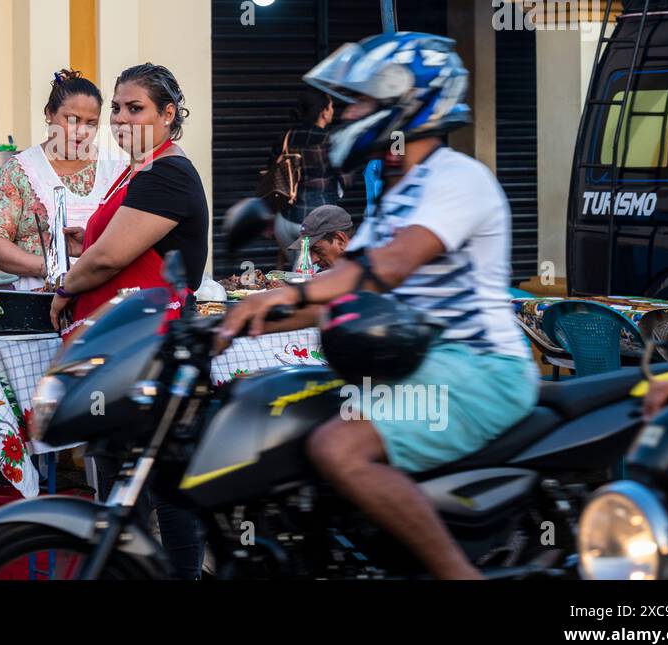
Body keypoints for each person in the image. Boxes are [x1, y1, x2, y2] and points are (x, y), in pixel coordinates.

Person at [220, 33, 539, 580]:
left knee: (339, 448)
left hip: (480, 366)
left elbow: (389, 267)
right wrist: (232, 326)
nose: (347, 113)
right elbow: (348, 287)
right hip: (418, 363)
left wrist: (291, 292)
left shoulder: (458, 178)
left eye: (362, 102)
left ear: (407, 105)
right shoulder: (397, 194)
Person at [49, 63, 210, 579]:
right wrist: (84, 243)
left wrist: (65, 287)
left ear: (168, 115)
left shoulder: (167, 173)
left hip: (152, 345)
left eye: (135, 108)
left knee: (161, 483)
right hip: (124, 343)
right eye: (116, 108)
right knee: (130, 479)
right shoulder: (138, 169)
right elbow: (110, 242)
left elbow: (109, 258)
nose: (121, 119)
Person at [0, 70, 123, 290]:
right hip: (38, 298)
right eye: (72, 120)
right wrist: (52, 268)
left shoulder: (116, 170)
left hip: (105, 296)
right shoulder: (21, 171)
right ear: (49, 114)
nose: (81, 131)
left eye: (91, 123)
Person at [272, 89, 341, 252]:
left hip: (284, 221)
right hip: (315, 224)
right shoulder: (330, 140)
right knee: (309, 276)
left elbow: (271, 172)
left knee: (296, 275)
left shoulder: (286, 138)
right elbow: (345, 176)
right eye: (331, 106)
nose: (333, 110)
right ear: (324, 113)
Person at [288, 204, 354, 270]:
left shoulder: (361, 275)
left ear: (340, 240)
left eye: (318, 250)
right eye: (308, 251)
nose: (312, 261)